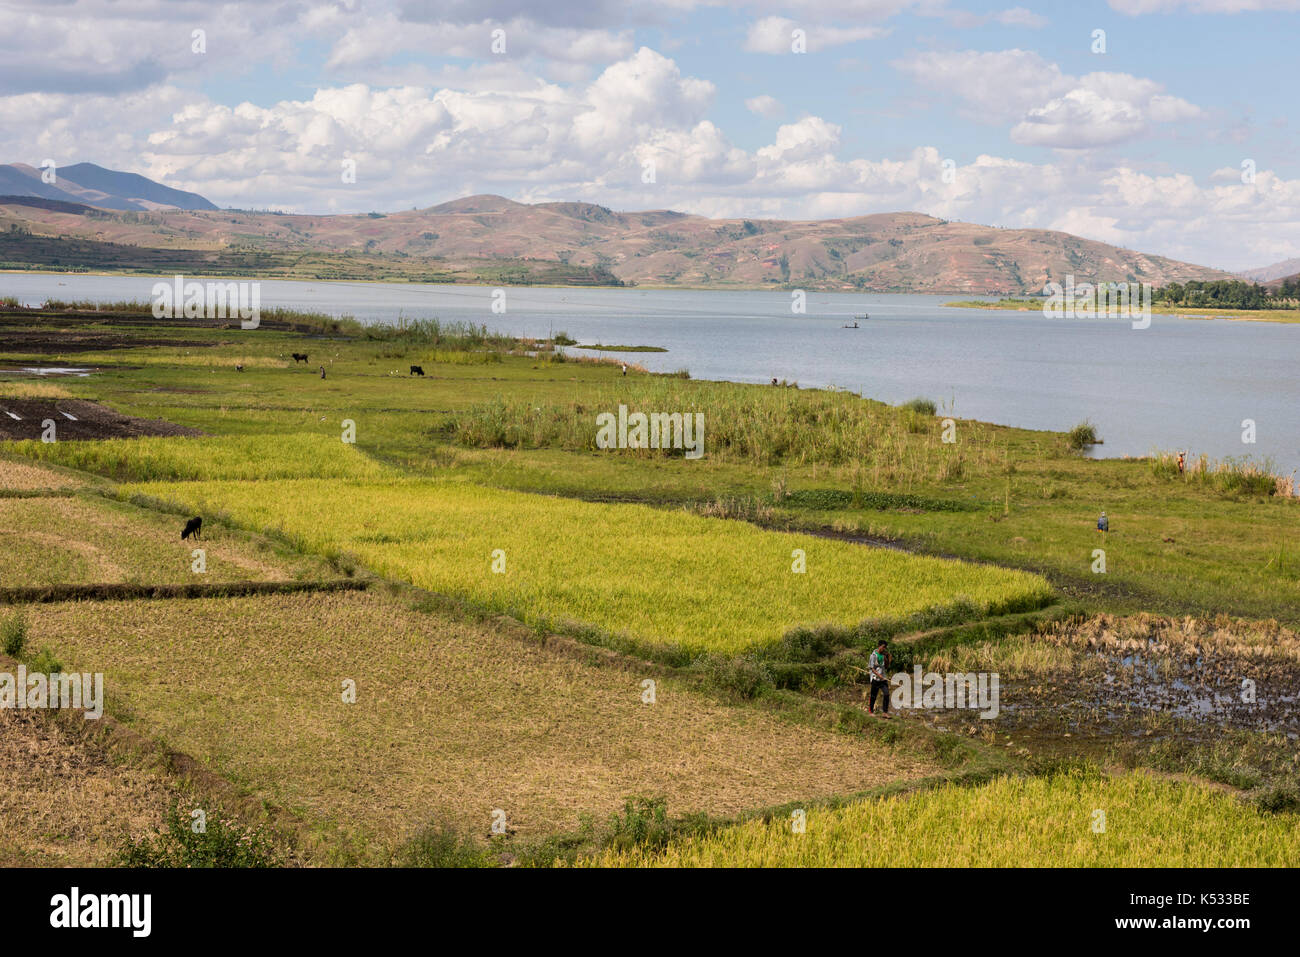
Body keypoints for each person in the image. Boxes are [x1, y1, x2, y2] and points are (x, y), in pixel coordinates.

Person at [867, 640, 891, 718]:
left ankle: (885, 712)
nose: (884, 649)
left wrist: (888, 659)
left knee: (886, 694)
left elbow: (886, 667)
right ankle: (871, 711)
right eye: (883, 647)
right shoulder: (873, 655)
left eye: (885, 647)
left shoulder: (884, 655)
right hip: (875, 678)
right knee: (873, 695)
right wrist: (878, 675)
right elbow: (872, 668)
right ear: (879, 646)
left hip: (883, 678)